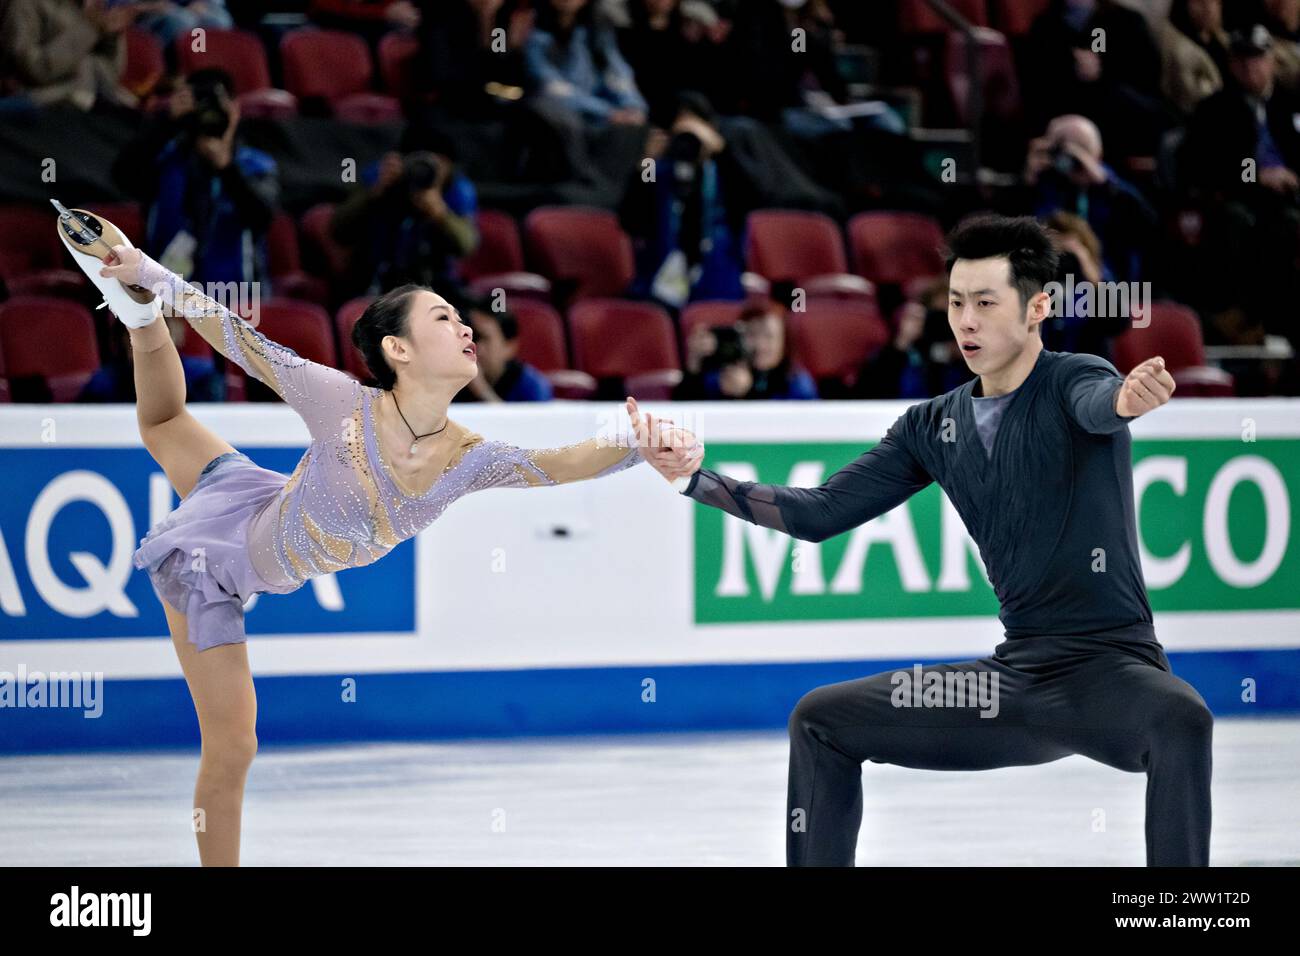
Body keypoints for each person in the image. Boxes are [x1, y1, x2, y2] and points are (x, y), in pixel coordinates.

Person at [56, 205, 693, 866]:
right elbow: (240, 340)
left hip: (254, 502)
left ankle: (134, 322)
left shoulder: (468, 457)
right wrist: (152, 274)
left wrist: (637, 445)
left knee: (164, 425)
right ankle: (138, 314)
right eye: (443, 317)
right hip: (215, 564)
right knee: (235, 746)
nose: (465, 325)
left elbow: (560, 463)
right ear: (398, 349)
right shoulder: (341, 404)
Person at [645, 215, 1212, 867]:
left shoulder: (1073, 379)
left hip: (1113, 675)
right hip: (1011, 684)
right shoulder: (930, 425)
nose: (966, 321)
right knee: (820, 721)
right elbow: (820, 513)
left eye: (986, 303)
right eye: (956, 302)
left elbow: (1099, 403)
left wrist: (1127, 400)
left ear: (1038, 308)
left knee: (1182, 718)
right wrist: (696, 480)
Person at [112, 68, 278, 287]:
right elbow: (122, 177)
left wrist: (226, 168)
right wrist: (167, 122)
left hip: (235, 299)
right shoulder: (166, 159)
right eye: (200, 101)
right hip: (166, 296)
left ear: (235, 108)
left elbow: (260, 217)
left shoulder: (255, 165)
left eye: (216, 102)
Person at [330, 130, 479, 297]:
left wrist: (440, 214)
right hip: (371, 280)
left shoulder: (458, 190)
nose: (426, 171)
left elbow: (466, 245)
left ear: (450, 165)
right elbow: (339, 230)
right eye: (419, 162)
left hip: (435, 285)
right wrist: (375, 194)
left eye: (436, 164)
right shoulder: (378, 178)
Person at [452, 297, 554, 402]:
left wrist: (483, 391)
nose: (474, 346)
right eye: (471, 337)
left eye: (485, 338)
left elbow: (529, 419)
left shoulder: (532, 387)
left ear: (509, 347)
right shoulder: (451, 380)